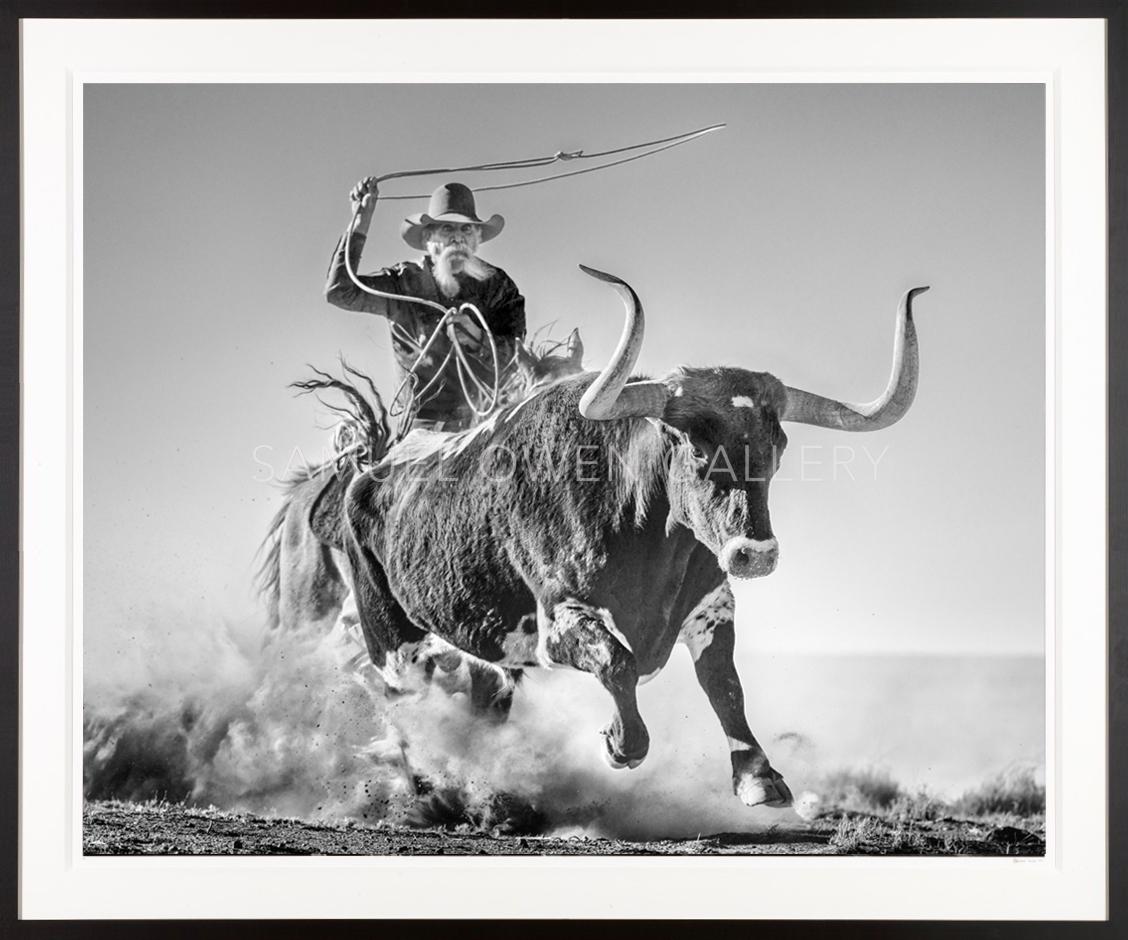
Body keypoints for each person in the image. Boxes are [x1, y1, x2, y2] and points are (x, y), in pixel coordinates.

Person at [325, 178, 527, 431]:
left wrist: (478, 339)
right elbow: (340, 291)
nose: (458, 238)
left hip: (487, 421)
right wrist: (360, 220)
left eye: (466, 229)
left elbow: (520, 359)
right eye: (447, 228)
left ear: (477, 237)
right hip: (422, 428)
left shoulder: (497, 285)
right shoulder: (403, 281)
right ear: (428, 237)